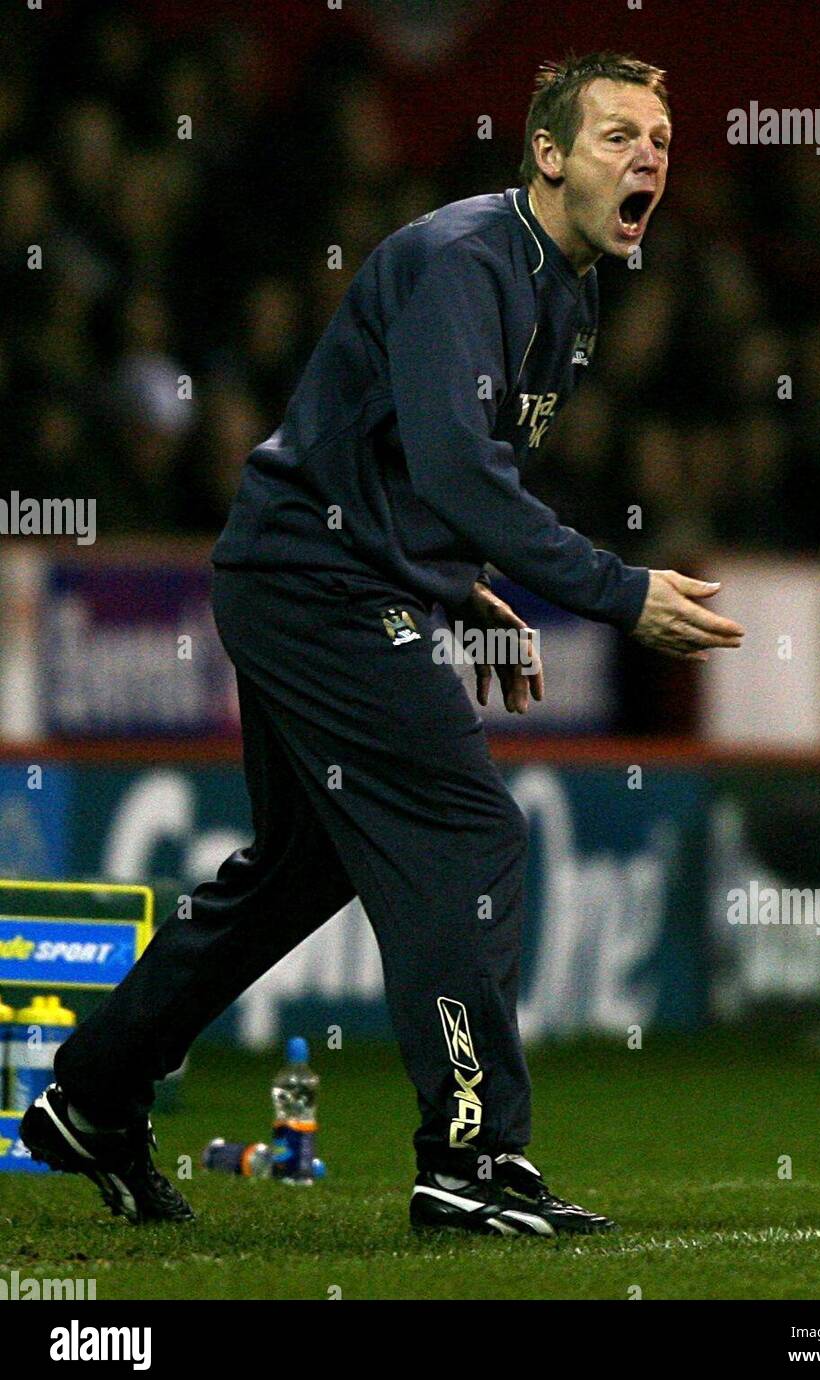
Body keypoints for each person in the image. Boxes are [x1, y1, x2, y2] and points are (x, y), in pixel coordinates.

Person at [22, 51, 743, 1236]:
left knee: (298, 873)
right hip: (317, 589)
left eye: (661, 136)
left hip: (316, 576)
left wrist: (456, 583)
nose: (650, 154)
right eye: (619, 133)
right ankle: (466, 1157)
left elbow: (407, 460)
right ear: (548, 155)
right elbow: (458, 468)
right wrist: (614, 591)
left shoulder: (567, 285)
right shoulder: (468, 260)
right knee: (468, 831)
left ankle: (92, 1095)